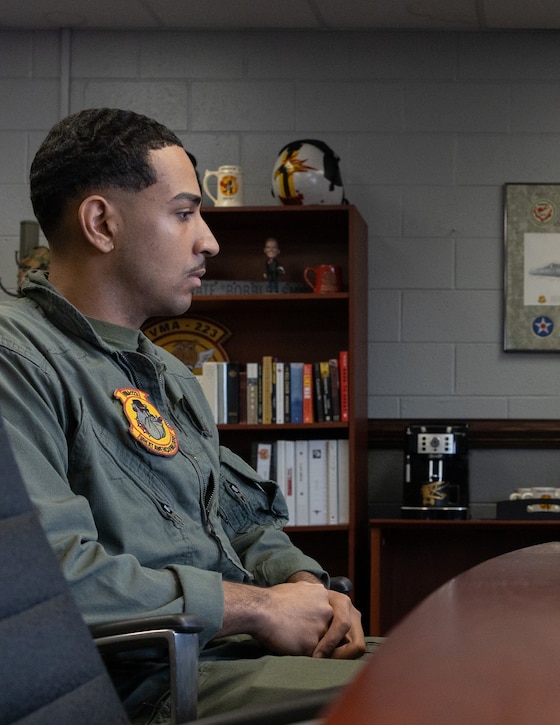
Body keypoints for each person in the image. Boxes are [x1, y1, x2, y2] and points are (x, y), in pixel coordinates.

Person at [0, 108, 375, 723]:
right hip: (146, 685)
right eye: (183, 213)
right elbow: (46, 583)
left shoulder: (167, 374)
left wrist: (303, 587)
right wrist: (260, 608)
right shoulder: (16, 362)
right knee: (432, 695)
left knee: (460, 664)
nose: (209, 240)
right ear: (101, 224)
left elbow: (237, 519)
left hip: (226, 655)